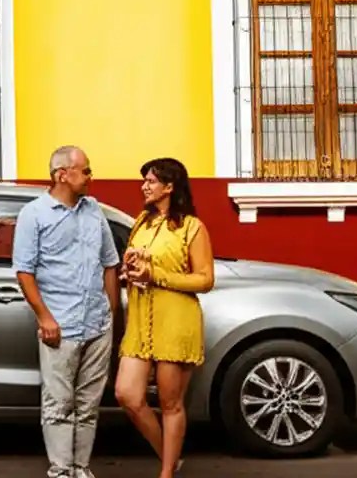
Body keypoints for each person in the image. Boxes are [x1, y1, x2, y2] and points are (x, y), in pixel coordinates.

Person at [12, 145, 121, 478]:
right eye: (85, 170)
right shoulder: (34, 214)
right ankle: (60, 471)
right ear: (62, 174)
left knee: (89, 405)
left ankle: (81, 468)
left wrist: (110, 312)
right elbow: (24, 271)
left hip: (97, 324)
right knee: (59, 403)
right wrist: (45, 317)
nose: (90, 176)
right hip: (60, 325)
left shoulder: (93, 211)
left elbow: (110, 263)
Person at [115, 157, 215, 478]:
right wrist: (128, 271)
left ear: (169, 187)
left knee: (170, 404)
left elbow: (205, 279)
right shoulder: (141, 222)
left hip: (176, 320)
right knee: (127, 395)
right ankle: (170, 458)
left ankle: (167, 473)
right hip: (141, 320)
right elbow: (136, 267)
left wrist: (156, 274)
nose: (144, 186)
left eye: (151, 181)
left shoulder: (192, 227)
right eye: (144, 180)